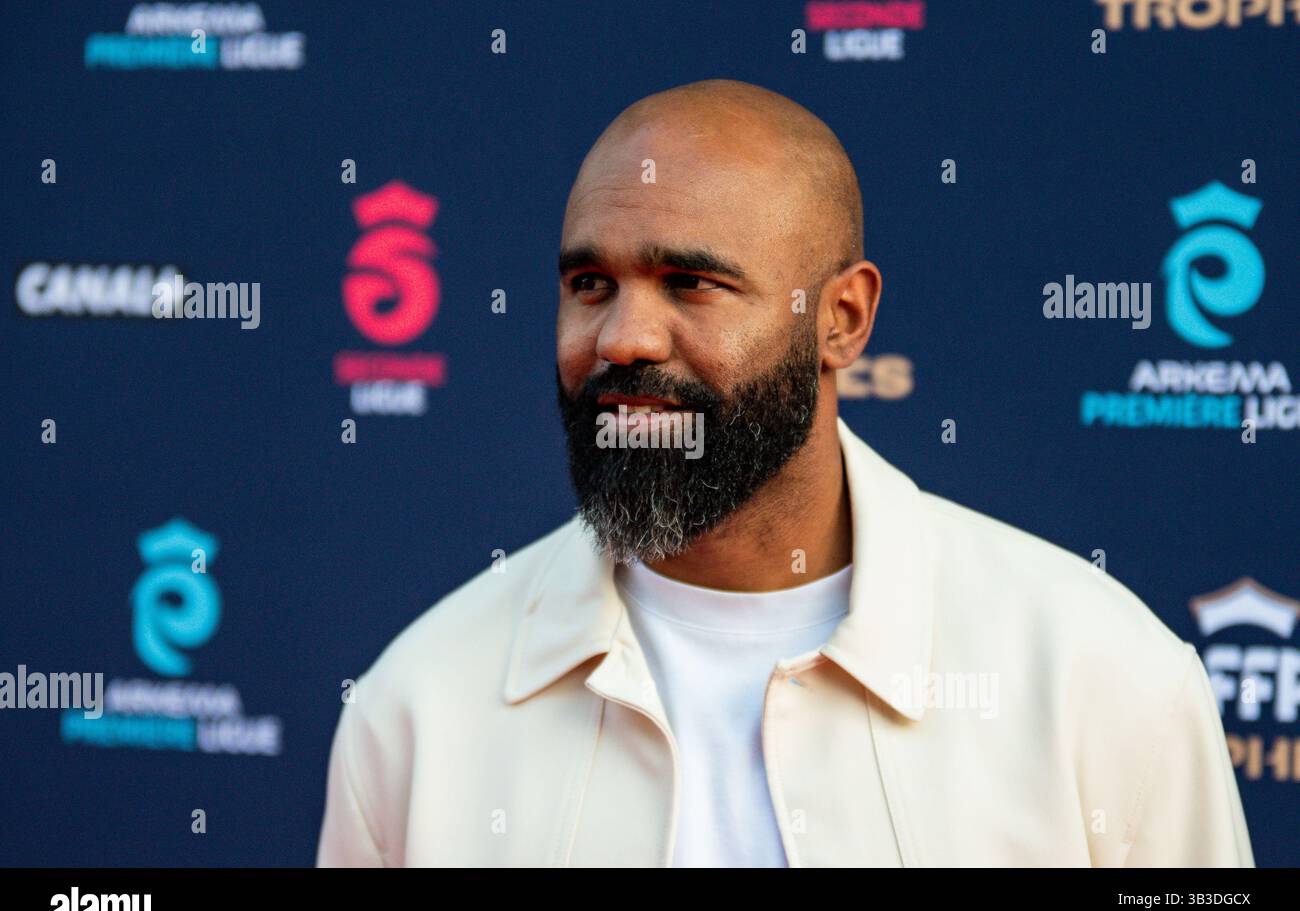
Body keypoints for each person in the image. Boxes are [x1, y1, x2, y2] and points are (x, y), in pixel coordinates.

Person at [316, 79, 1253, 867]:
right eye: (589, 284)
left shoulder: (1102, 678)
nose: (623, 337)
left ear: (842, 319)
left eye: (692, 283)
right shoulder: (420, 709)